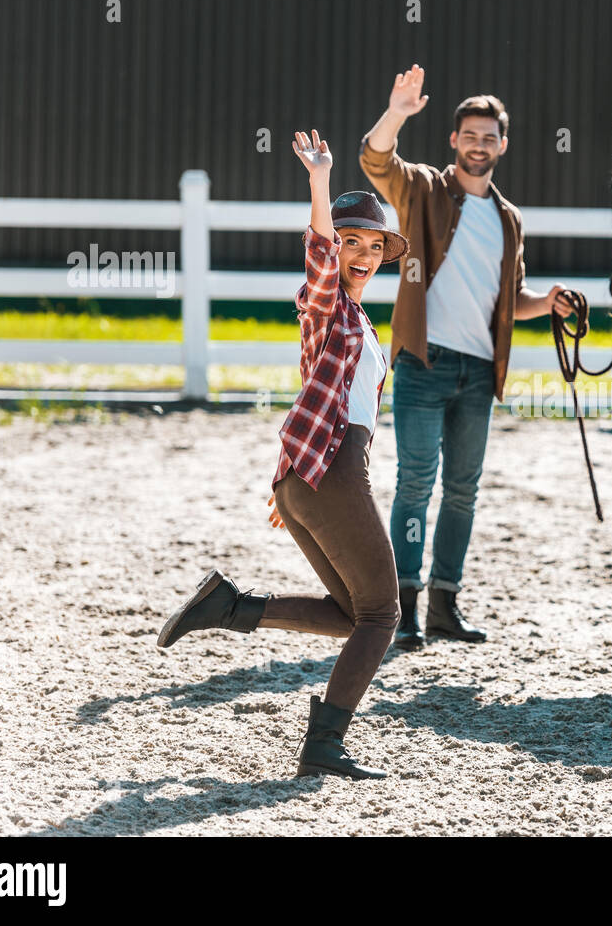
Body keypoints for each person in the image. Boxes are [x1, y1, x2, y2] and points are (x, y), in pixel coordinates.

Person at [156, 130, 406, 781]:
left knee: (354, 611)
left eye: (374, 246)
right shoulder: (326, 306)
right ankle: (324, 746)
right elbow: (319, 254)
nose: (362, 254)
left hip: (309, 477)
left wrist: (304, 477)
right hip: (330, 473)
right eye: (353, 242)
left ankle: (232, 605)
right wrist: (321, 182)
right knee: (384, 612)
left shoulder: (358, 321)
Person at [360, 64, 573, 650]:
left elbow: (513, 299)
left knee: (462, 489)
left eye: (490, 137)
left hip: (480, 373)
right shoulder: (425, 188)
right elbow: (377, 161)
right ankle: (400, 609)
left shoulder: (509, 218)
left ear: (502, 145)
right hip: (424, 364)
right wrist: (398, 111)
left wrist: (546, 303)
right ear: (454, 140)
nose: (479, 146)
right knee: (414, 484)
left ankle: (444, 607)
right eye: (469, 136)